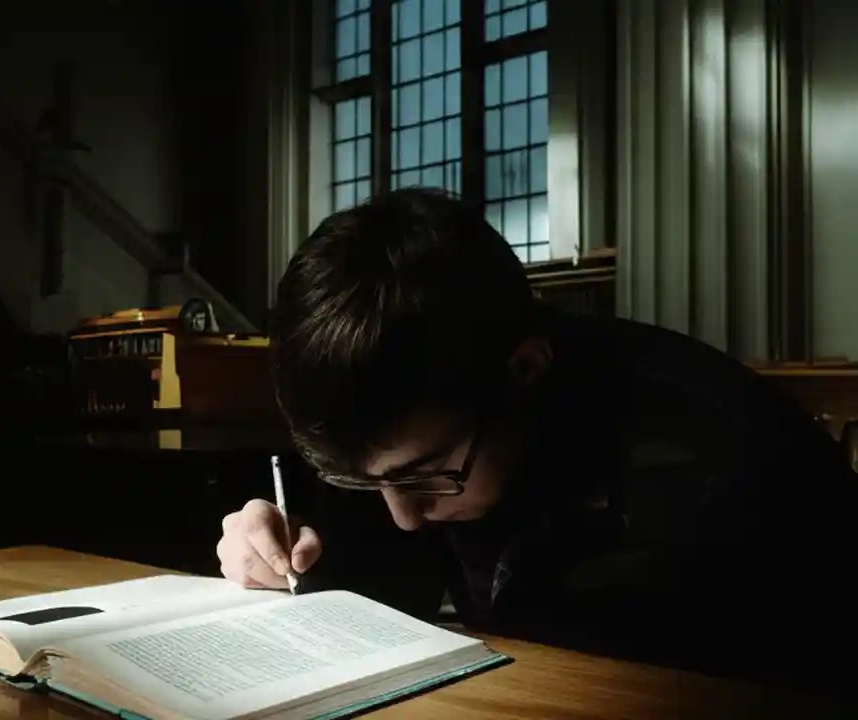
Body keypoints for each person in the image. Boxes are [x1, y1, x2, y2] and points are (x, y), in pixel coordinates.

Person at [215, 187, 856, 689]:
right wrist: (292, 553)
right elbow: (391, 556)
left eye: (425, 476)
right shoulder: (423, 421)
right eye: (366, 481)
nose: (403, 515)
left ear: (524, 371)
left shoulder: (716, 478)